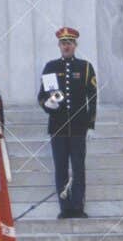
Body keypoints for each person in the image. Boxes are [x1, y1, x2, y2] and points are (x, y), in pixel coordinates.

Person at [38, 26, 98, 219]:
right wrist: (48, 105)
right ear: (59, 45)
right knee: (61, 168)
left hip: (79, 128)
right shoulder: (51, 67)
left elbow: (92, 98)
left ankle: (78, 207)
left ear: (75, 45)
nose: (66, 46)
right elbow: (41, 96)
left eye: (70, 43)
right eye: (63, 43)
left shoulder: (85, 67)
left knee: (78, 169)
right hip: (58, 127)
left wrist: (91, 125)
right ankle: (65, 208)